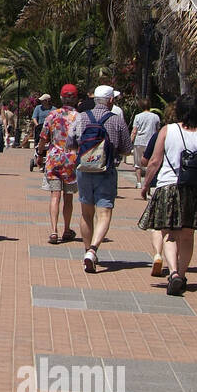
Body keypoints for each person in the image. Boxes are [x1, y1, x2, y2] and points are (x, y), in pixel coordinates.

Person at [138, 94, 197, 295]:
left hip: (169, 186)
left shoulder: (168, 130)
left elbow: (155, 161)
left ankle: (173, 273)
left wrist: (146, 184)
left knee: (169, 233)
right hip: (194, 190)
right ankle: (182, 274)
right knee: (187, 235)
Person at [68, 85, 133, 273]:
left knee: (86, 213)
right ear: (111, 100)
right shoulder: (116, 120)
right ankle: (94, 250)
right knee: (104, 213)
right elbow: (127, 148)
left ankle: (87, 251)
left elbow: (71, 143)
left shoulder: (81, 117)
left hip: (84, 170)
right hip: (106, 170)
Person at [37, 85, 80, 244]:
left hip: (54, 159)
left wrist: (40, 154)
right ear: (75, 99)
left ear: (61, 98)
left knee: (55, 196)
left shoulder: (52, 115)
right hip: (71, 160)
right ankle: (67, 229)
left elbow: (43, 138)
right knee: (68, 198)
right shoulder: (79, 117)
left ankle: (54, 231)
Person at [130, 101, 162, 189]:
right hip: (151, 142)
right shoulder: (156, 117)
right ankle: (148, 182)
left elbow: (134, 130)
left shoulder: (138, 116)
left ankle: (139, 182)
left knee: (137, 163)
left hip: (139, 141)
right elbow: (158, 130)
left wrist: (130, 142)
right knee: (150, 163)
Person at [30, 94, 53, 171]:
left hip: (50, 129)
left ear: (47, 101)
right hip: (40, 128)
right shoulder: (38, 108)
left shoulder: (53, 109)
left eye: (43, 100)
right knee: (39, 142)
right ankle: (39, 161)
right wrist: (37, 125)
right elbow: (34, 117)